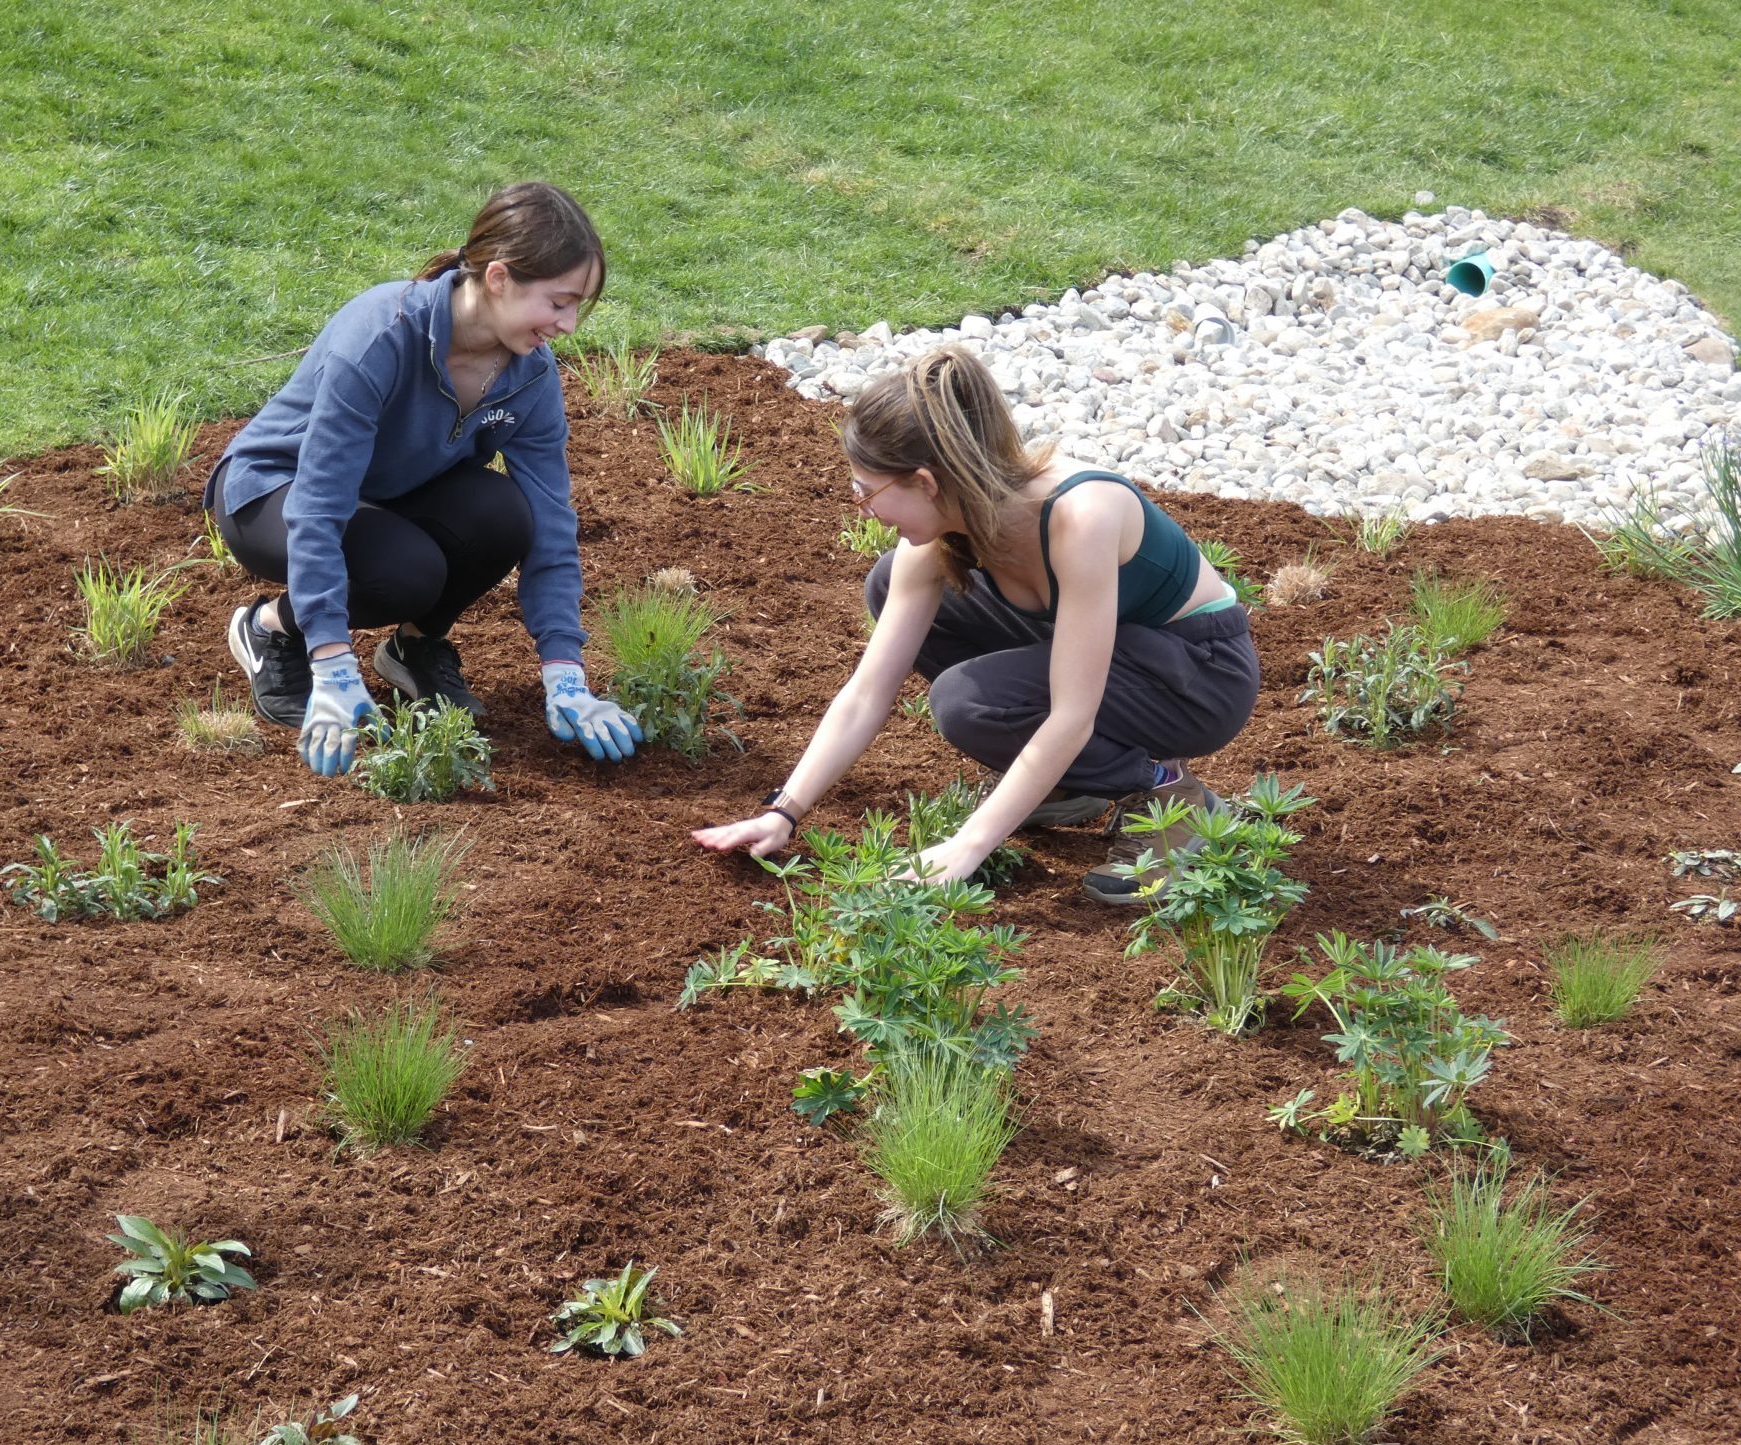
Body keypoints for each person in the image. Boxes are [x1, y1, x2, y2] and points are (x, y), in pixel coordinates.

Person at [693, 344, 1259, 904]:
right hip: (1122, 664)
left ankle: (1168, 792)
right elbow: (868, 693)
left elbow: (1071, 714)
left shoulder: (1080, 516)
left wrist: (967, 847)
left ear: (926, 482)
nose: (861, 509)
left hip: (1198, 678)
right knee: (890, 580)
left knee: (968, 702)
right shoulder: (948, 532)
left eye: (866, 492)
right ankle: (1070, 783)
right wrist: (782, 811)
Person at [204, 182, 644, 777]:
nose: (568, 325)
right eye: (559, 302)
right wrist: (334, 662)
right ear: (498, 278)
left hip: (383, 491)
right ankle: (270, 628)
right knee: (404, 571)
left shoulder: (530, 375)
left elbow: (552, 521)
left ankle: (413, 648)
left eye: (577, 307)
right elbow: (319, 504)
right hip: (274, 491)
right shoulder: (384, 335)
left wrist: (566, 674)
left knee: (505, 513)